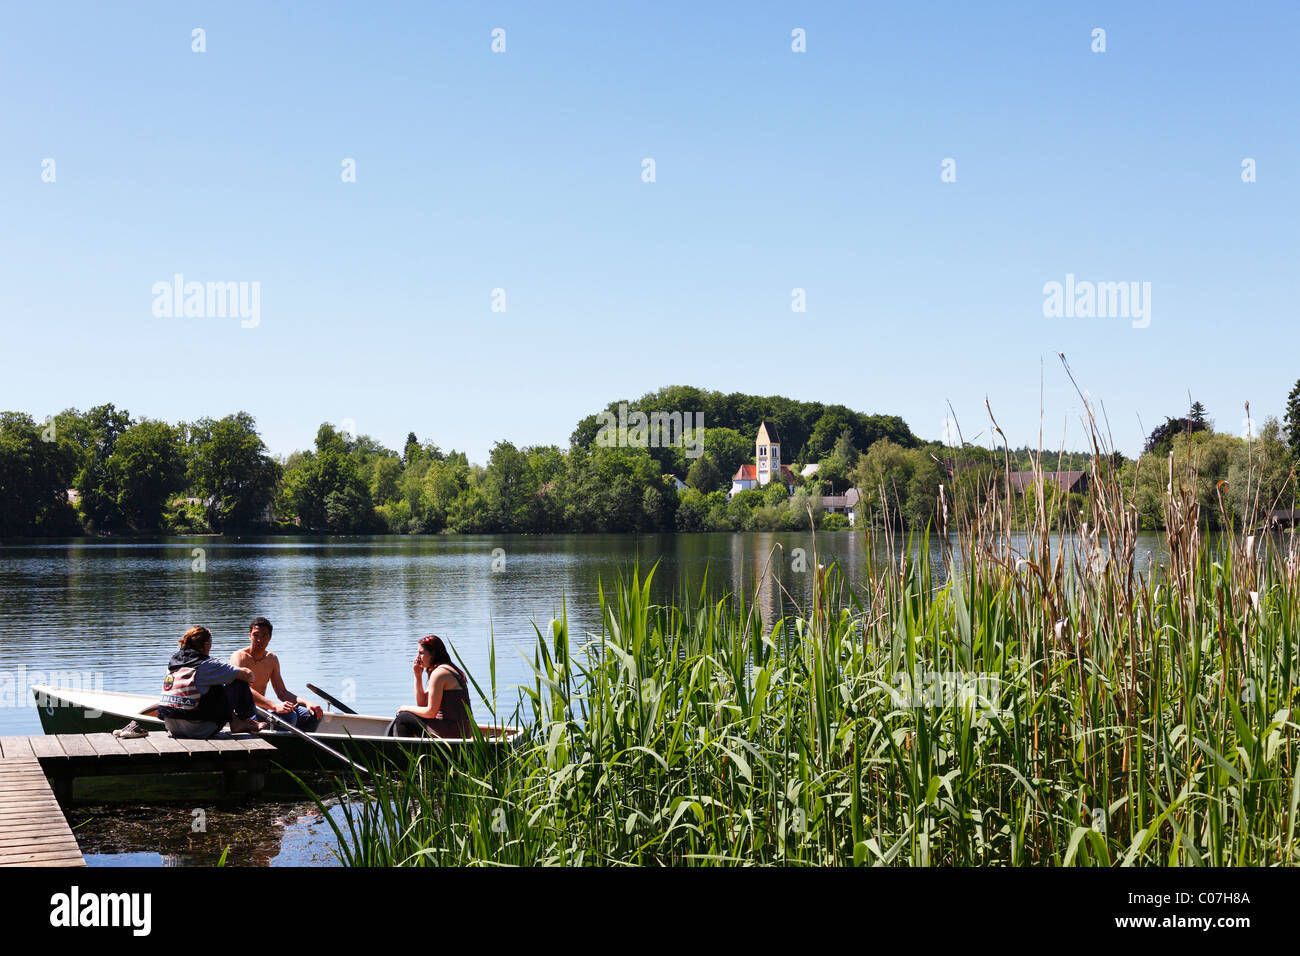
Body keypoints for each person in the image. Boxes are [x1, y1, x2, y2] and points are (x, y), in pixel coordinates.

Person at [157, 625, 267, 738]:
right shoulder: (207, 665)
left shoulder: (174, 662)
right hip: (198, 729)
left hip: (172, 728)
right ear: (206, 644)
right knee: (238, 681)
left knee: (212, 685)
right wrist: (245, 681)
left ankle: (236, 721)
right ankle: (242, 721)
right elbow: (248, 674)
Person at [229, 617, 323, 732]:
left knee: (313, 714)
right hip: (247, 714)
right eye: (256, 635)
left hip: (265, 709)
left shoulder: (271, 659)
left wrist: (307, 702)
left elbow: (282, 692)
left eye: (264, 636)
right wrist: (275, 706)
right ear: (250, 636)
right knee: (290, 716)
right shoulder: (239, 656)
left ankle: (301, 745)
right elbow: (243, 689)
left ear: (270, 637)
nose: (259, 640)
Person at [385, 635, 474, 738]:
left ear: (432, 654)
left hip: (451, 732)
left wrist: (406, 708)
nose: (418, 657)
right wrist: (418, 676)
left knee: (403, 718)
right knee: (406, 716)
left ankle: (406, 753)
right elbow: (422, 704)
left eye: (421, 653)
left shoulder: (439, 673)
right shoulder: (446, 669)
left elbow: (431, 712)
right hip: (460, 731)